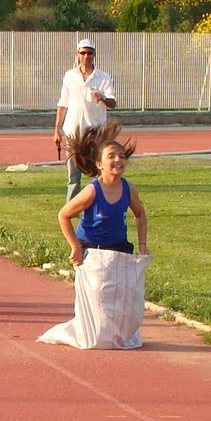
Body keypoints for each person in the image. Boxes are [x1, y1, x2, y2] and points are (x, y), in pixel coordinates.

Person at [57, 122, 149, 266]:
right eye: (111, 156)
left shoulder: (129, 189)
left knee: (121, 288)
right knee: (96, 289)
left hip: (118, 248)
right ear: (99, 164)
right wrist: (76, 246)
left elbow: (140, 214)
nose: (118, 160)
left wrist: (142, 243)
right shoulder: (92, 191)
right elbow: (63, 215)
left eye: (122, 156)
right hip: (91, 249)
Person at [53, 38, 116, 202]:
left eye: (89, 53)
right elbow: (63, 103)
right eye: (83, 53)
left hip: (95, 133)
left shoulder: (103, 78)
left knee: (99, 172)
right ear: (77, 54)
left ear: (94, 55)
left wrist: (102, 98)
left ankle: (100, 205)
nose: (86, 56)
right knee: (73, 175)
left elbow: (112, 103)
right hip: (73, 132)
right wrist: (57, 130)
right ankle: (72, 207)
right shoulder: (69, 76)